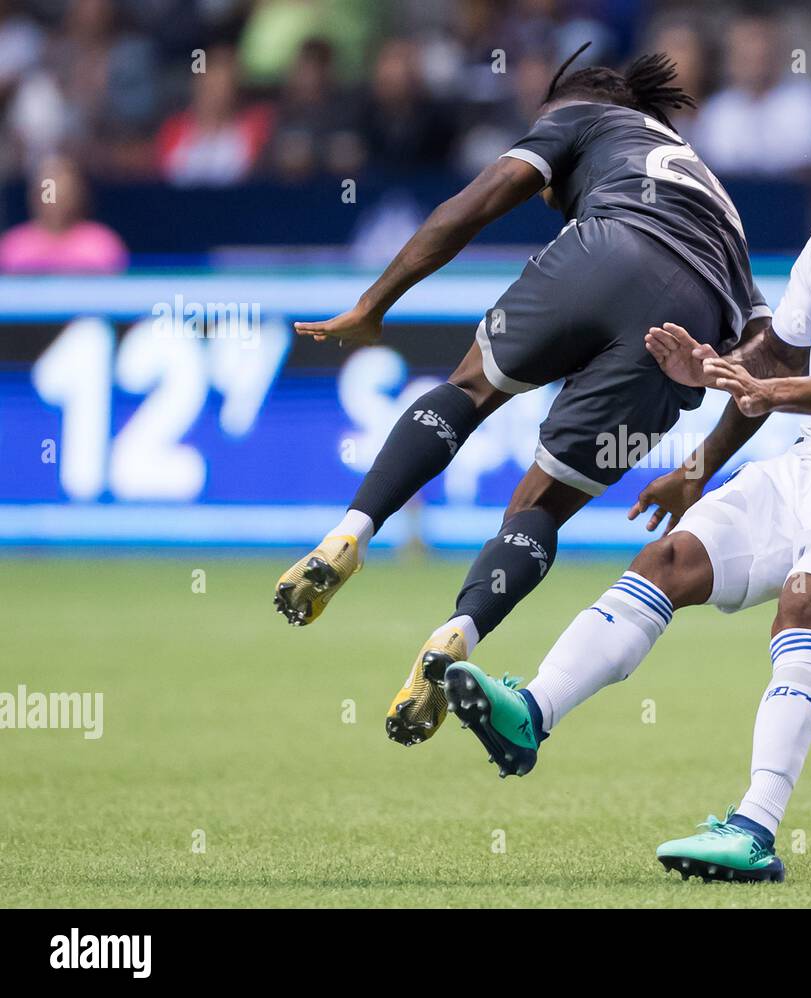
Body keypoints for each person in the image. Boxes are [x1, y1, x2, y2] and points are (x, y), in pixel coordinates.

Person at [442, 90, 811, 883]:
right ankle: (531, 715)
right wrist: (699, 461)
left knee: (805, 599)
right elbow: (774, 361)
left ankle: (753, 830)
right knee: (666, 562)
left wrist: (767, 394)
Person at [274, 46, 770, 754]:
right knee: (535, 510)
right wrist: (698, 447)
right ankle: (460, 632)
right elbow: (772, 366)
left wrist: (372, 301)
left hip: (603, 249)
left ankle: (350, 531)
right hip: (687, 327)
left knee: (470, 389)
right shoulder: (726, 216)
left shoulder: (584, 115)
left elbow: (472, 204)